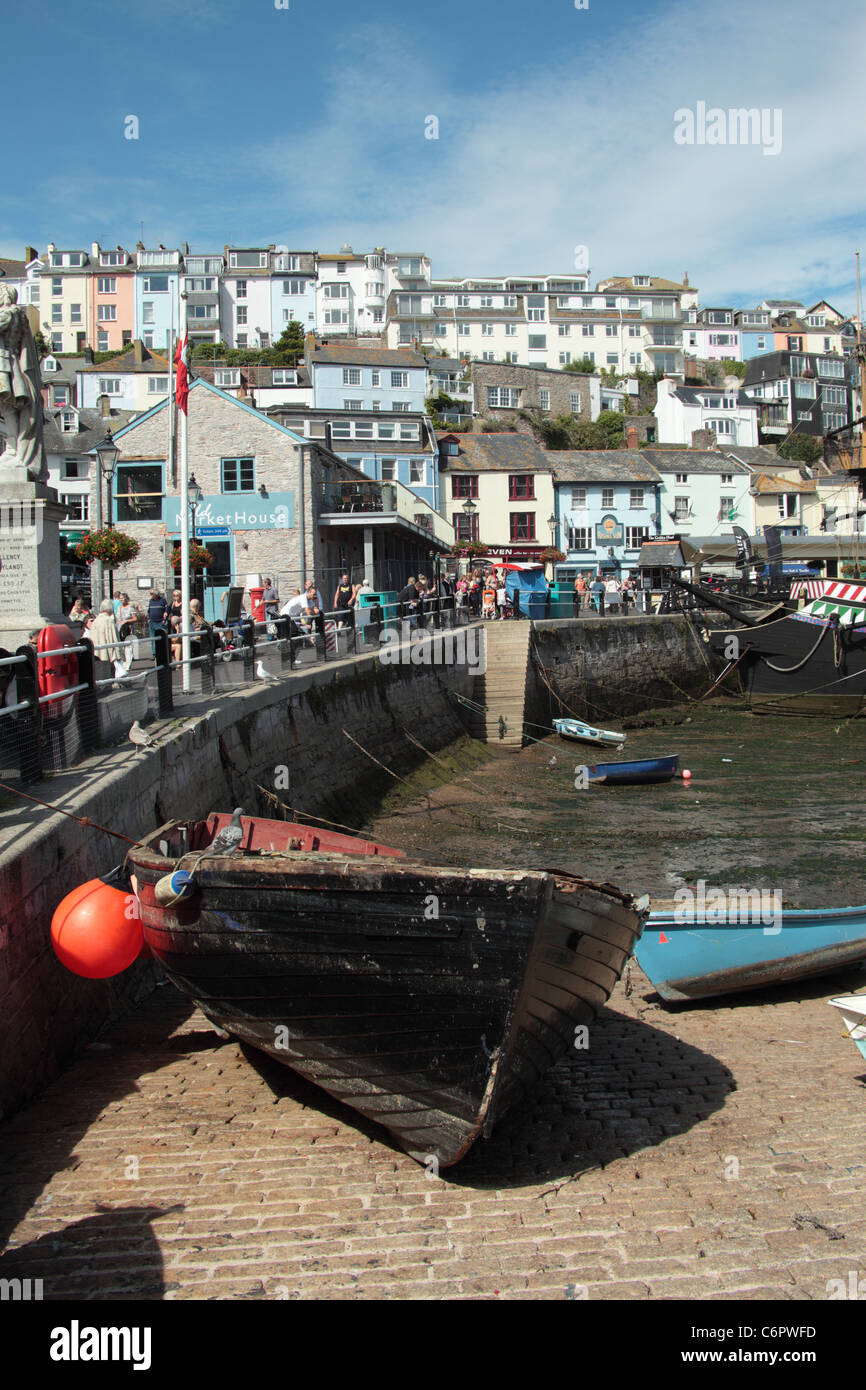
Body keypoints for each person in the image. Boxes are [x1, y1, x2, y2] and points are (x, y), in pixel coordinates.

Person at [88, 599, 124, 683]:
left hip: (97, 652)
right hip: (108, 652)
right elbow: (114, 639)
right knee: (111, 673)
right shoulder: (109, 621)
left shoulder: (96, 621)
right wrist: (118, 652)